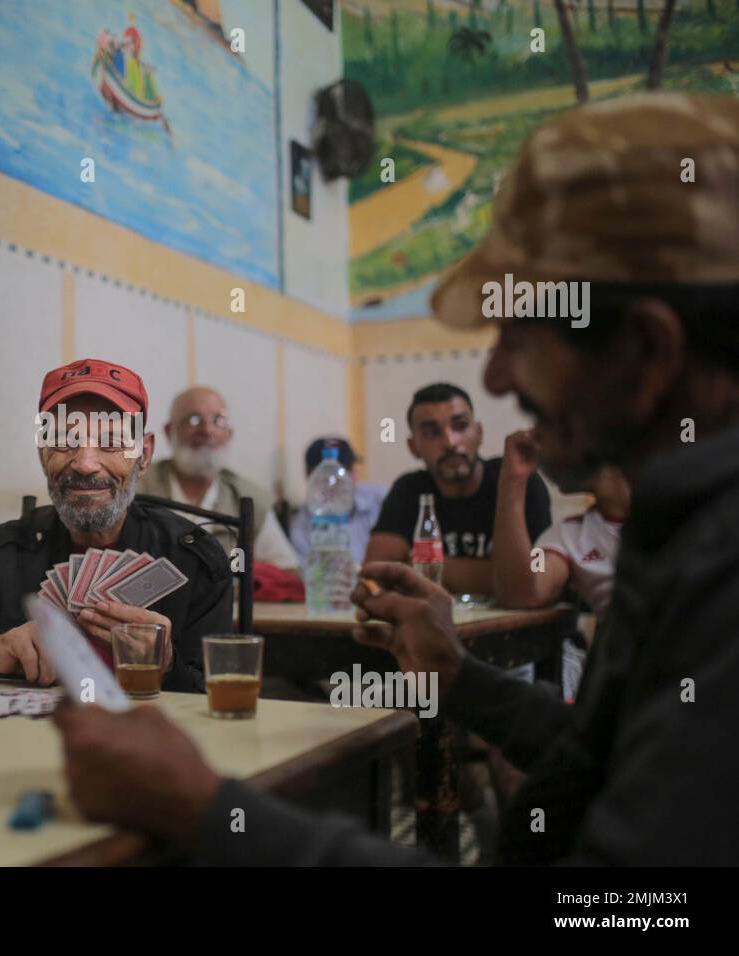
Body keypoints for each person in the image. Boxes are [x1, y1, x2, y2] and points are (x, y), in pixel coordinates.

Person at [52, 93, 739, 865]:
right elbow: (602, 760)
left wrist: (205, 810)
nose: (495, 372)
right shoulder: (685, 532)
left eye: (521, 334)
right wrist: (461, 676)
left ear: (646, 353)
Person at [0, 358, 231, 692]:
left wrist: (166, 666)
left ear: (144, 454)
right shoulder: (4, 550)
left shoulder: (195, 558)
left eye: (110, 441)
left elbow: (222, 702)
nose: (85, 464)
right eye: (64, 440)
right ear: (42, 453)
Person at [364, 382, 551, 597]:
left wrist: (419, 564)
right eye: (431, 433)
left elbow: (535, 575)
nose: (450, 442)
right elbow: (375, 574)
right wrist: (494, 573)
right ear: (413, 446)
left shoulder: (516, 479)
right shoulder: (410, 489)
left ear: (479, 433)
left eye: (460, 426)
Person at [492, 429, 631, 701]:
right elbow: (523, 592)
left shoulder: (690, 504)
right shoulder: (568, 535)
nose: (543, 450)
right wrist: (513, 480)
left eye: (553, 427)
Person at [138, 386, 300, 571]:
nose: (207, 430)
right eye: (194, 419)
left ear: (229, 435)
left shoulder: (248, 499)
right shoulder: (137, 488)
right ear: (169, 431)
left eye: (218, 421)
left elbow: (288, 572)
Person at [289, 437, 387, 569]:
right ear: (308, 474)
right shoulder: (301, 527)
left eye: (347, 469)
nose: (340, 479)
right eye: (328, 474)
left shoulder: (382, 499)